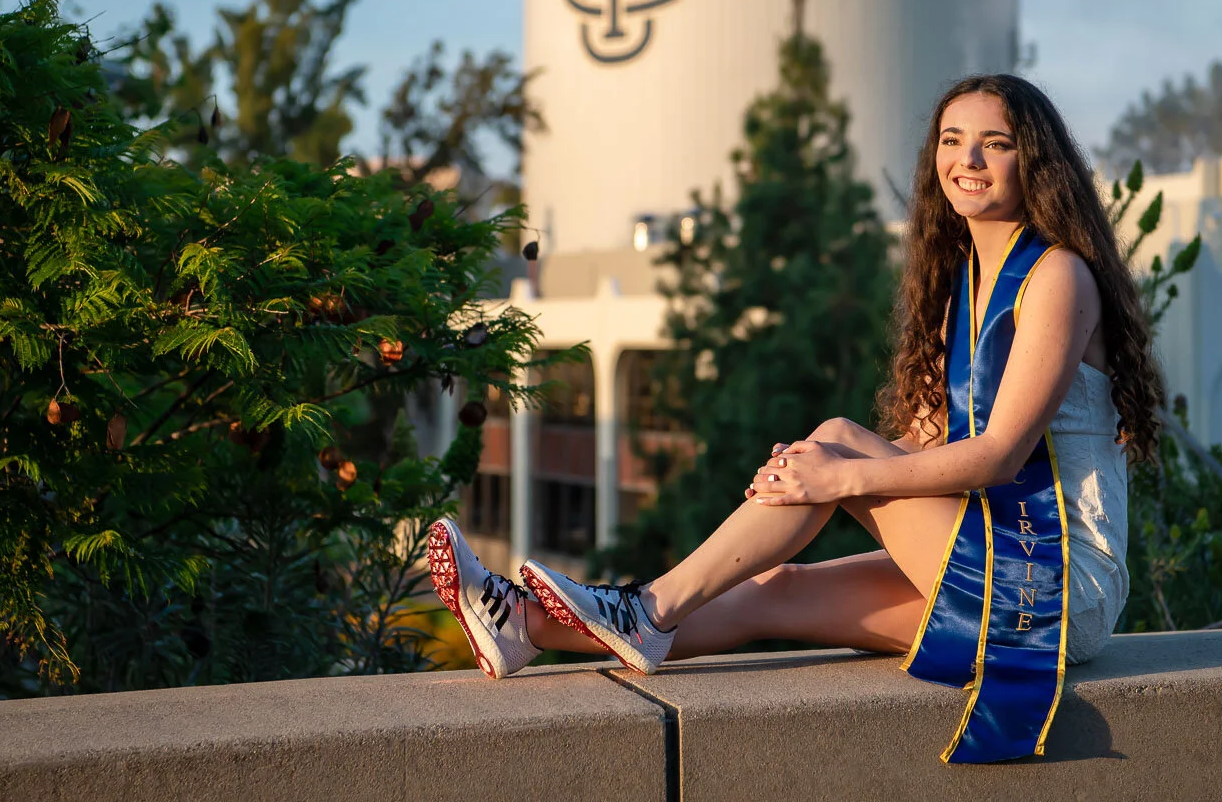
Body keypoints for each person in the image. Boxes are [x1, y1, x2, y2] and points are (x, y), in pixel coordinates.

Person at [428, 75, 1161, 758]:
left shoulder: (1057, 275)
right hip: (991, 554)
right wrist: (812, 470)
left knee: (842, 439)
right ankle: (526, 628)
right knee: (775, 588)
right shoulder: (967, 285)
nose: (967, 159)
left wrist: (838, 473)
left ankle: (644, 608)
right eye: (951, 140)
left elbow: (1000, 455)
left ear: (1034, 161)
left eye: (994, 144)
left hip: (1061, 586)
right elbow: (929, 447)